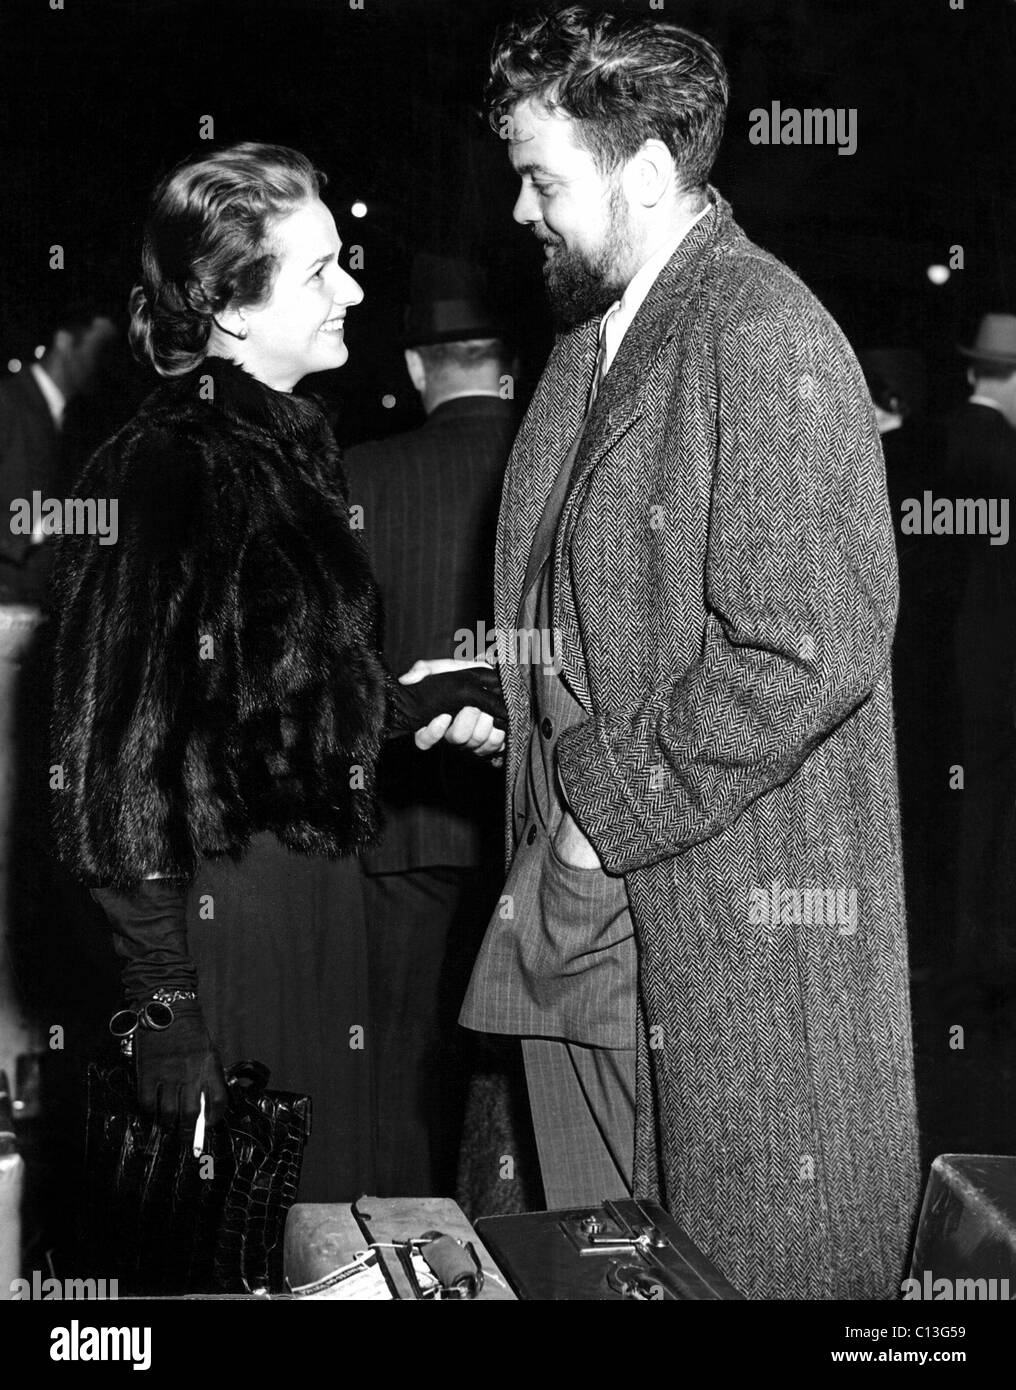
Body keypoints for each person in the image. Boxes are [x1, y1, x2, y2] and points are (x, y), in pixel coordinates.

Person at [414, 7, 919, 1300]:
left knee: (720, 1264)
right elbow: (602, 598)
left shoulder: (760, 334)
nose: (522, 212)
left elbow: (805, 651)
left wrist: (596, 811)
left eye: (543, 180)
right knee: (602, 1256)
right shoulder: (597, 332)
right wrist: (508, 695)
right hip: (604, 904)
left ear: (644, 174)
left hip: (707, 913)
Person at [49, 142, 507, 1223]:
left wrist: (405, 697)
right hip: (228, 924)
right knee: (254, 1234)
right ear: (233, 310)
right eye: (318, 272)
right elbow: (110, 767)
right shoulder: (166, 464)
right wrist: (164, 1004)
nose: (352, 288)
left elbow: (255, 719)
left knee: (320, 1231)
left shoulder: (273, 454)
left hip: (308, 901)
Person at [342, 255, 518, 1196]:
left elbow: (334, 663)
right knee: (514, 1075)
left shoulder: (362, 473)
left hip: (401, 828)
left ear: (416, 369)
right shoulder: (555, 468)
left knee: (403, 1062)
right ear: (510, 367)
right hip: (523, 817)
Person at [0, 304, 117, 606]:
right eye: (99, 347)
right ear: (65, 341)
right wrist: (41, 526)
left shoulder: (70, 423)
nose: (103, 361)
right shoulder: (8, 403)